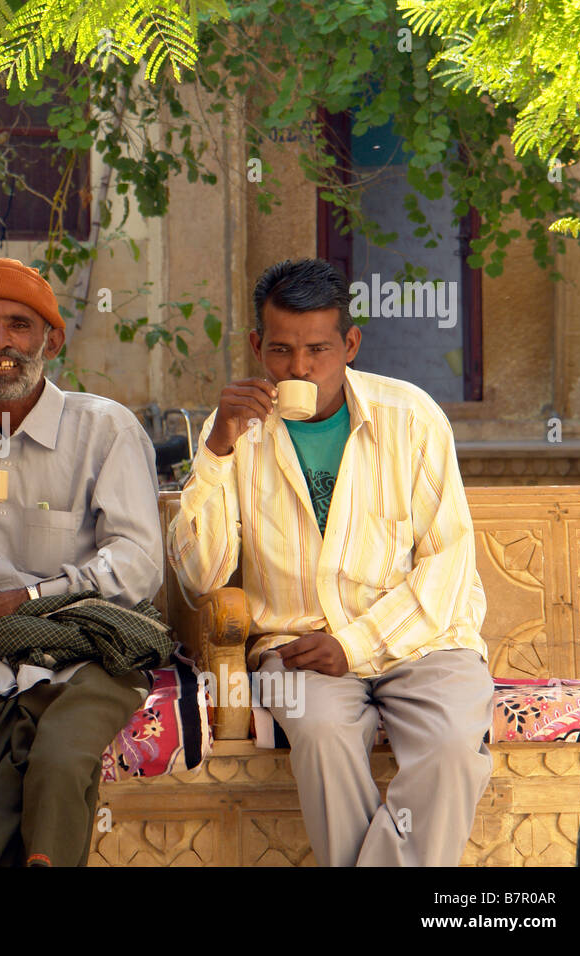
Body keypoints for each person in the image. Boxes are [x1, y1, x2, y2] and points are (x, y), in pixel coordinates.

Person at [169, 257, 492, 866]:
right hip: (295, 648)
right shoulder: (233, 430)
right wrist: (215, 451)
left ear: (349, 344)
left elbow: (449, 561)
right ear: (257, 346)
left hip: (424, 640)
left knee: (453, 746)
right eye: (282, 351)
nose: (299, 368)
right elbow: (201, 576)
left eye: (317, 349)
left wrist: (357, 643)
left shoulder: (412, 418)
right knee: (320, 735)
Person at [0, 257, 167, 866]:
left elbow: (137, 567)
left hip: (88, 650)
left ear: (52, 339)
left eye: (18, 325)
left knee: (61, 755)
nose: (0, 343)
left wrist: (15, 603)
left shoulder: (106, 431)